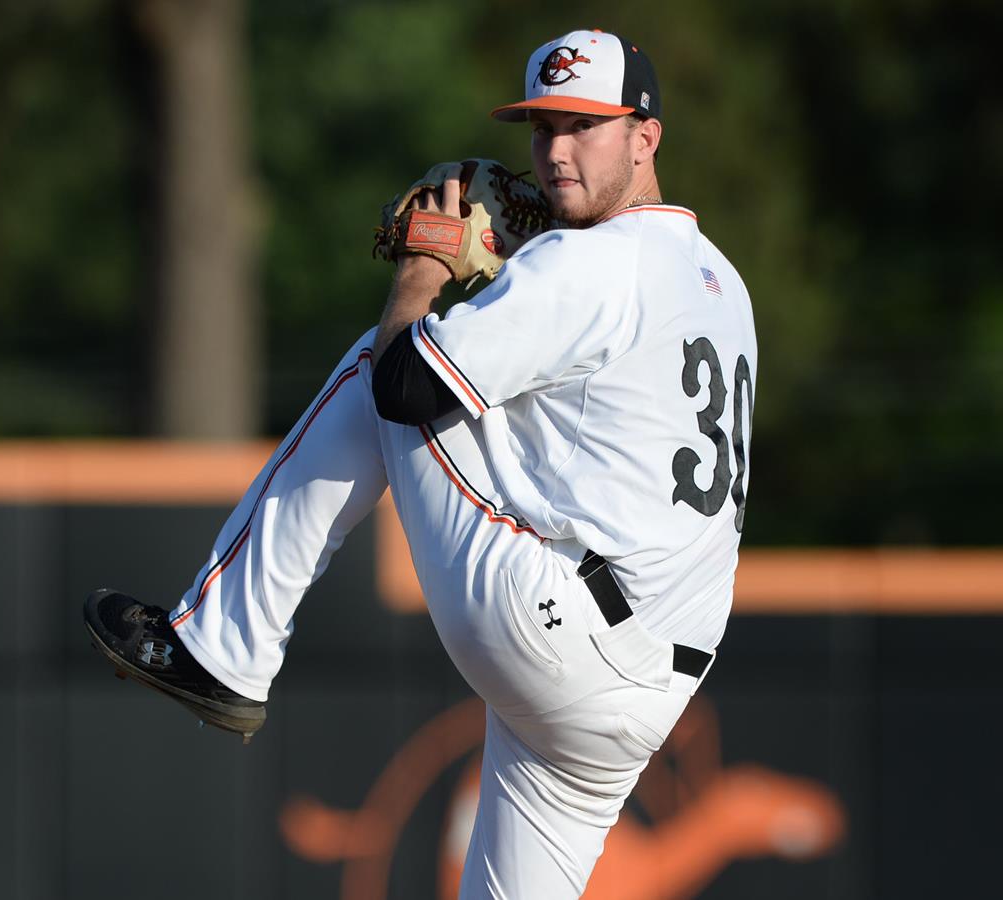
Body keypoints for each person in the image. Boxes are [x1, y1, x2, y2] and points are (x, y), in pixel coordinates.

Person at [84, 27, 757, 898]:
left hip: (563, 634)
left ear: (646, 134)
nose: (555, 152)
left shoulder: (589, 263)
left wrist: (422, 270)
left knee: (381, 360)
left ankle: (222, 648)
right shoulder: (720, 281)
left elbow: (407, 389)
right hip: (650, 695)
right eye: (543, 127)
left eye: (584, 126)